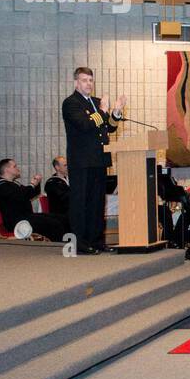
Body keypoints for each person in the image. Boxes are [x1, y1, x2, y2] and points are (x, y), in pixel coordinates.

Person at [61, 66, 125, 255]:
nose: (88, 84)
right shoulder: (71, 103)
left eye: (90, 80)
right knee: (81, 203)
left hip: (99, 159)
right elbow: (85, 124)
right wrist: (104, 111)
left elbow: (110, 128)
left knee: (97, 203)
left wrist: (116, 113)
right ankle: (79, 243)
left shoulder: (97, 103)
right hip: (81, 162)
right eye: (84, 80)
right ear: (76, 83)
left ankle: (97, 241)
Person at [0, 158, 69, 240]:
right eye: (14, 166)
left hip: (26, 217)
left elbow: (30, 194)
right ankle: (60, 245)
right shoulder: (1, 186)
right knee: (54, 224)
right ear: (7, 170)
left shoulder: (11, 183)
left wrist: (37, 183)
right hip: (17, 222)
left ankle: (72, 241)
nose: (18, 168)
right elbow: (22, 195)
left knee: (62, 218)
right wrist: (32, 184)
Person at [43, 155, 71, 221]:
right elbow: (66, 198)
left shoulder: (68, 180)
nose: (68, 167)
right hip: (59, 217)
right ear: (57, 167)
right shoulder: (51, 183)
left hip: (69, 214)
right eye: (65, 165)